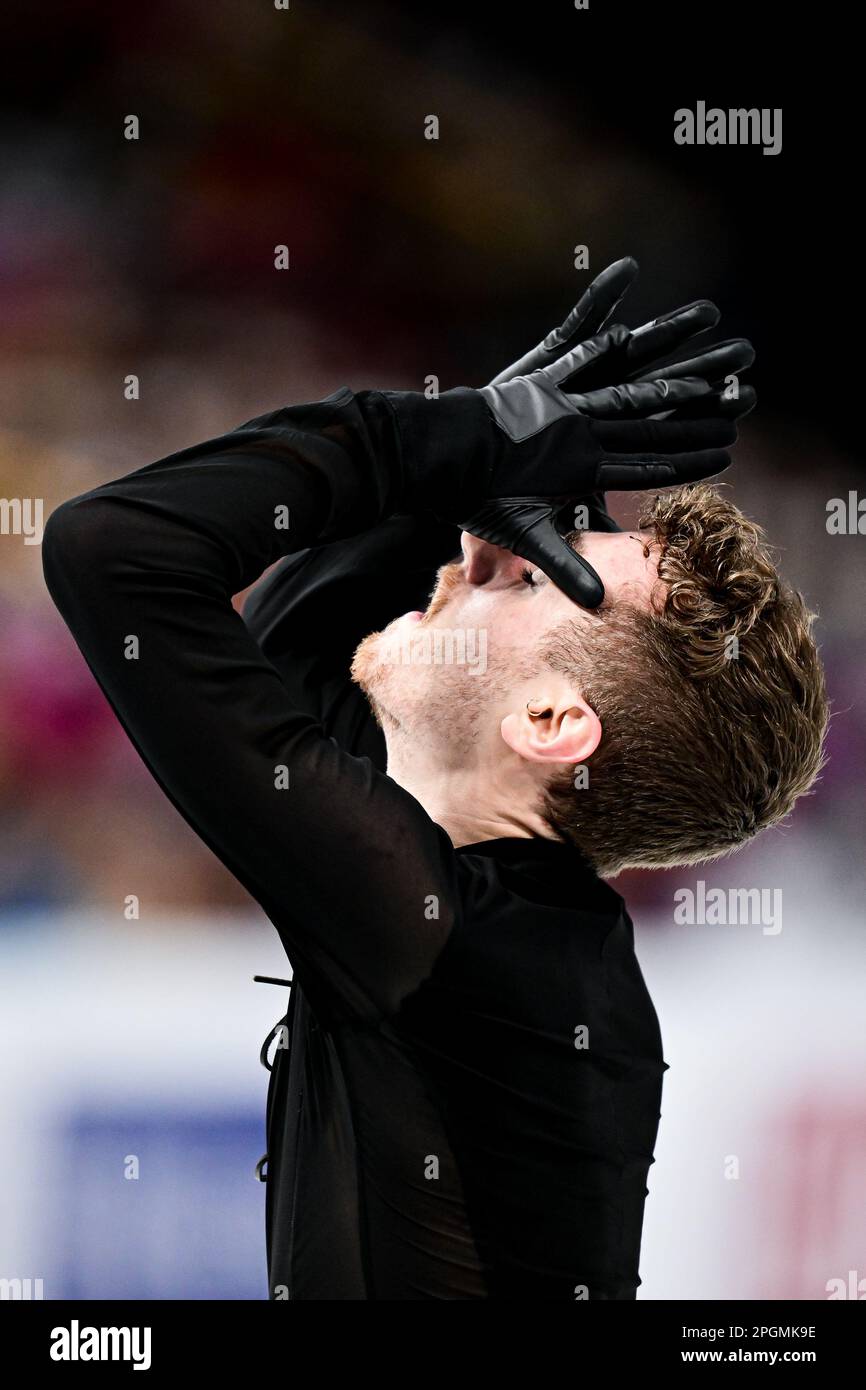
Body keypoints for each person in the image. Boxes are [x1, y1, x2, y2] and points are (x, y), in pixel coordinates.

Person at [42, 260, 827, 1299]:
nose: (485, 548)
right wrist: (464, 466)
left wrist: (445, 440)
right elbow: (284, 663)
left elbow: (114, 550)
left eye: (539, 573)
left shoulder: (452, 934)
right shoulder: (494, 922)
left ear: (549, 723)